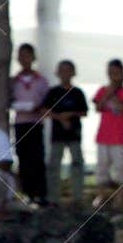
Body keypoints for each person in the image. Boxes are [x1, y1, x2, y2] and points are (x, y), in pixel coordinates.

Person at [9, 42, 50, 206]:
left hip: (36, 122)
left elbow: (47, 102)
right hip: (20, 123)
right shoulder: (14, 81)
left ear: (33, 57)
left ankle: (40, 194)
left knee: (37, 157)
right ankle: (27, 193)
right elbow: (9, 100)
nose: (24, 58)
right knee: (22, 157)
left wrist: (36, 107)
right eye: (21, 55)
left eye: (28, 55)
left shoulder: (41, 80)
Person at [45, 59, 90, 205]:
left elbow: (84, 112)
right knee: (54, 166)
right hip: (57, 135)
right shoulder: (53, 92)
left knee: (77, 164)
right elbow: (44, 110)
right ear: (57, 73)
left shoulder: (77, 92)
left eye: (68, 70)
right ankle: (53, 197)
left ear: (73, 72)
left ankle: (77, 196)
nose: (65, 73)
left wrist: (70, 115)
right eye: (62, 70)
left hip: (74, 134)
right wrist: (60, 118)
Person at [92, 60, 123, 203]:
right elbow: (98, 107)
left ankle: (119, 198)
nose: (113, 75)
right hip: (103, 136)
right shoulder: (102, 90)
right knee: (102, 167)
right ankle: (101, 195)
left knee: (120, 168)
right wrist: (108, 93)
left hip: (120, 138)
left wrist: (115, 92)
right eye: (111, 72)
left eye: (116, 72)